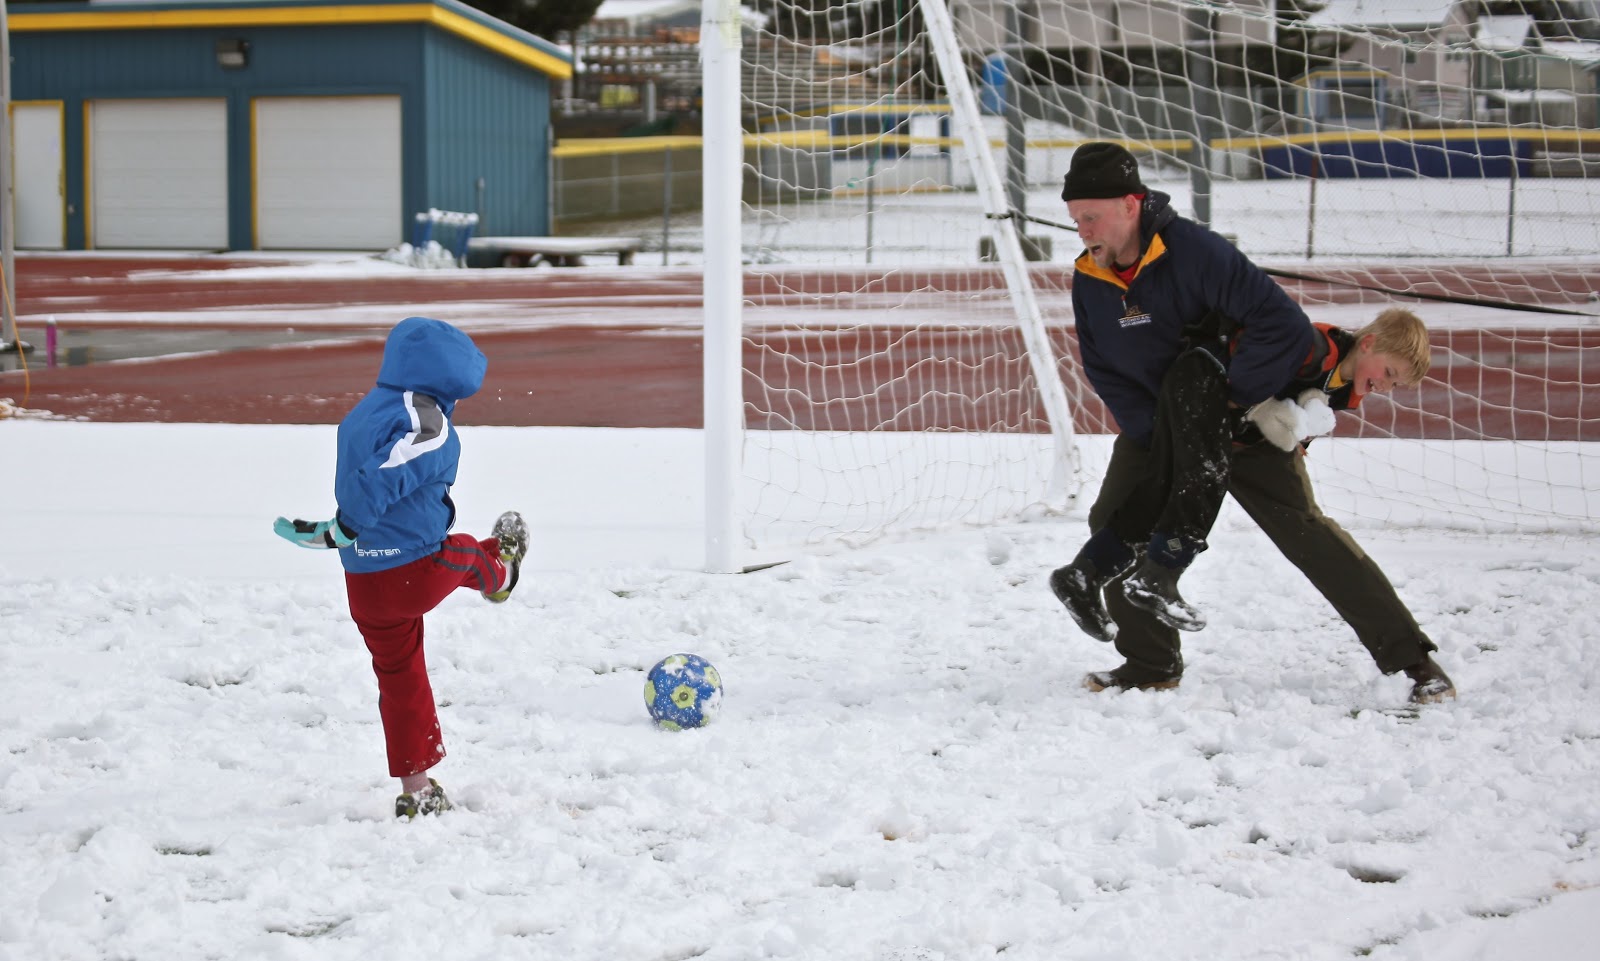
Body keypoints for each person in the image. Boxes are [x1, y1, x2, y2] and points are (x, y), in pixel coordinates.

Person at [1049, 142, 1454, 705]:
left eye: (1089, 215)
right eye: (1075, 218)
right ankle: (1149, 662)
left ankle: (1415, 661)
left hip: (1250, 431)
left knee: (1309, 536)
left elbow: (1280, 327)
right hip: (1162, 427)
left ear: (1130, 204)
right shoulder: (1090, 278)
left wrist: (1232, 403)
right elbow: (1103, 365)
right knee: (1113, 519)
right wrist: (1156, 431)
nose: (1080, 228)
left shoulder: (1193, 251)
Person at [273, 315, 529, 818]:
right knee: (467, 553)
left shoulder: (364, 412)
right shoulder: (426, 420)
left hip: (364, 582)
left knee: (400, 676)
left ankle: (418, 788)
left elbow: (362, 474)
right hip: (413, 568)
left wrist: (343, 532)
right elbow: (389, 470)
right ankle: (502, 576)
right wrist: (347, 524)